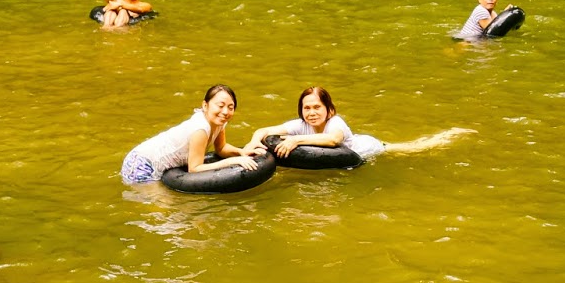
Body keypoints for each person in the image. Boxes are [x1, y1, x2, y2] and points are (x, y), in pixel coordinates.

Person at [119, 84, 266, 185]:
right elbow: (194, 168)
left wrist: (241, 152)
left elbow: (221, 148)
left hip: (148, 161)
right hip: (142, 164)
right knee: (163, 210)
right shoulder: (200, 129)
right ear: (205, 105)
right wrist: (233, 161)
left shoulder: (219, 123)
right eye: (220, 106)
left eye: (231, 107)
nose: (225, 112)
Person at [245, 86, 385, 161]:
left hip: (368, 148)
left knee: (392, 151)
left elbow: (333, 140)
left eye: (317, 107)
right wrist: (253, 142)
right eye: (307, 108)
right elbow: (263, 131)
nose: (312, 113)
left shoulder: (336, 122)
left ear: (329, 110)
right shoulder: (300, 124)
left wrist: (295, 140)